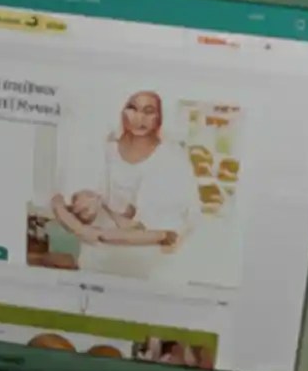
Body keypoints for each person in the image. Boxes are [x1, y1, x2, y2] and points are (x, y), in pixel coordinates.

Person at [51, 90, 200, 280]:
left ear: (159, 117)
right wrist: (82, 227)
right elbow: (59, 201)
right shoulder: (105, 149)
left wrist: (94, 233)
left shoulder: (171, 159)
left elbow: (163, 233)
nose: (140, 118)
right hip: (96, 265)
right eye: (132, 108)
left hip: (148, 271)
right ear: (122, 111)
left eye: (148, 111)